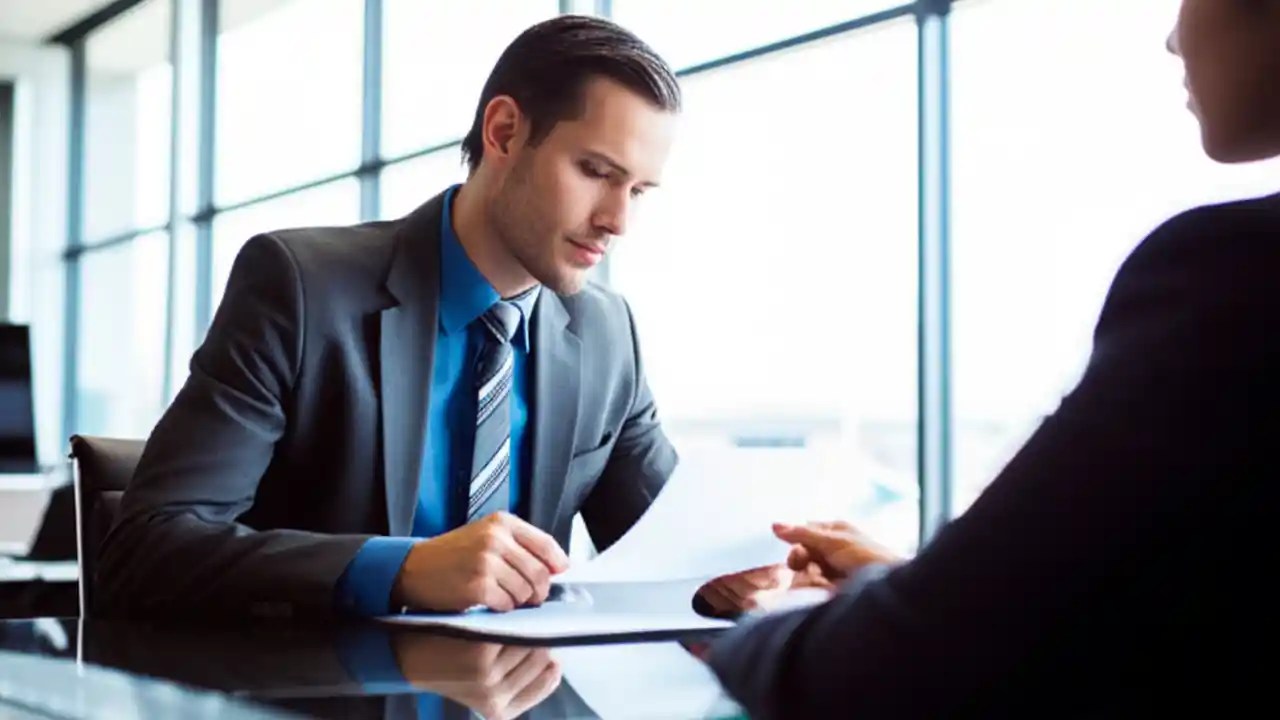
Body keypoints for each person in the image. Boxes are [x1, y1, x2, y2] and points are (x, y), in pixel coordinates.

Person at [706, 0, 1280, 715]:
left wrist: (761, 626)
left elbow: (886, 671)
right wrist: (914, 588)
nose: (1172, 37)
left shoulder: (1235, 275)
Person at [96, 14, 765, 620]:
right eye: (596, 171)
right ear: (504, 132)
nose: (618, 220)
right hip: (318, 690)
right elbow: (147, 550)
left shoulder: (606, 336)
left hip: (522, 690)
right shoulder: (300, 289)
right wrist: (401, 569)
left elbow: (674, 558)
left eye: (639, 190)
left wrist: (743, 575)